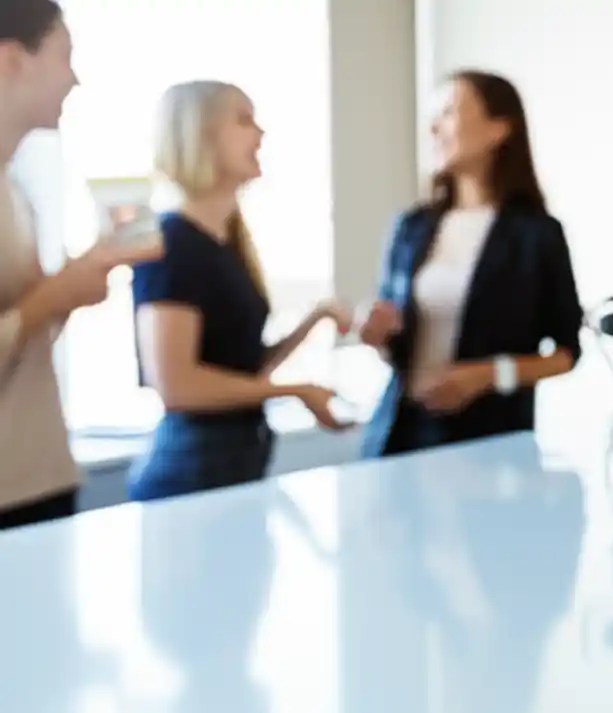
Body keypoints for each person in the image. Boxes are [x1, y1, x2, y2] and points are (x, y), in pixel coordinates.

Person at [129, 80, 350, 501]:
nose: (260, 134)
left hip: (235, 460)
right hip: (191, 472)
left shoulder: (227, 242)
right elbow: (177, 386)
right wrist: (296, 391)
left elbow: (244, 372)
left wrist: (316, 317)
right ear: (202, 134)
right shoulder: (172, 241)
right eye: (244, 120)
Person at [357, 70, 583, 457]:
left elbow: (566, 354)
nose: (433, 128)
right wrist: (377, 333)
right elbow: (396, 346)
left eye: (448, 113)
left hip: (491, 440)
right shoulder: (410, 227)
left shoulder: (537, 235)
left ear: (498, 129)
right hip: (401, 433)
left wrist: (486, 376)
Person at [0, 0, 147, 529]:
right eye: (65, 57)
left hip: (39, 479)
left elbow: (26, 336)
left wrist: (77, 283)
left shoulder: (16, 190)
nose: (75, 79)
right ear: (12, 60)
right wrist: (54, 297)